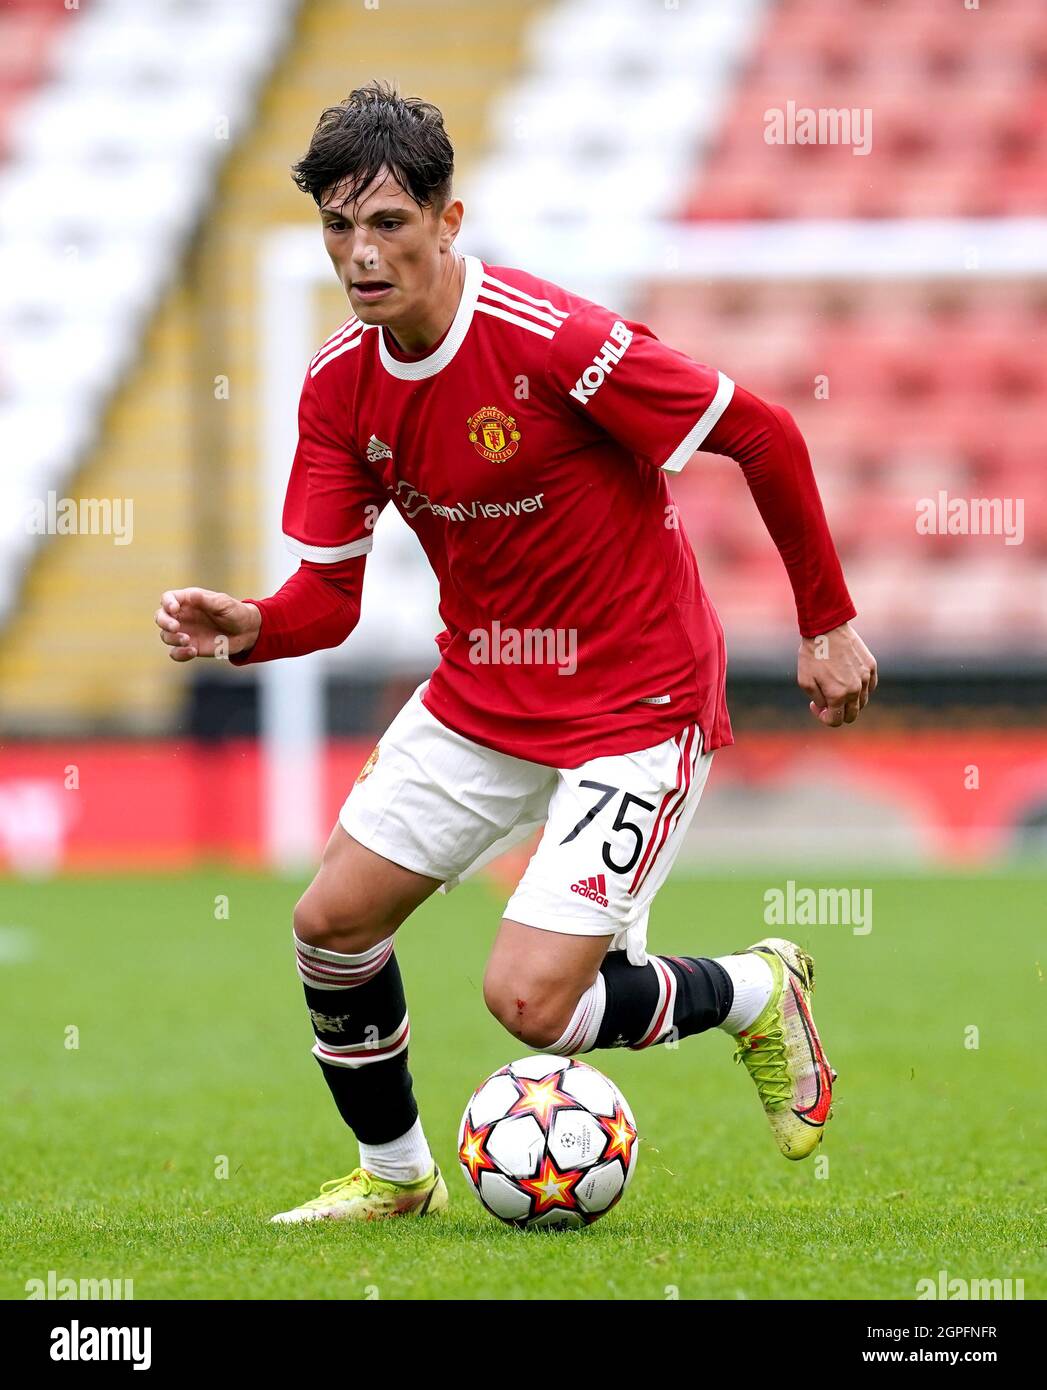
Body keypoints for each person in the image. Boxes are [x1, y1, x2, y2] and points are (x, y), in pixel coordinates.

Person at [154, 81, 877, 1224]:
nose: (360, 254)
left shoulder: (560, 343)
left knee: (532, 1003)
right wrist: (252, 624)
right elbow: (326, 604)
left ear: (448, 221)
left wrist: (826, 621)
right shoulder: (339, 388)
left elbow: (762, 431)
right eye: (338, 227)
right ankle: (396, 1178)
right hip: (481, 695)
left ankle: (754, 988)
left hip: (638, 701)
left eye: (387, 222)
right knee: (330, 927)